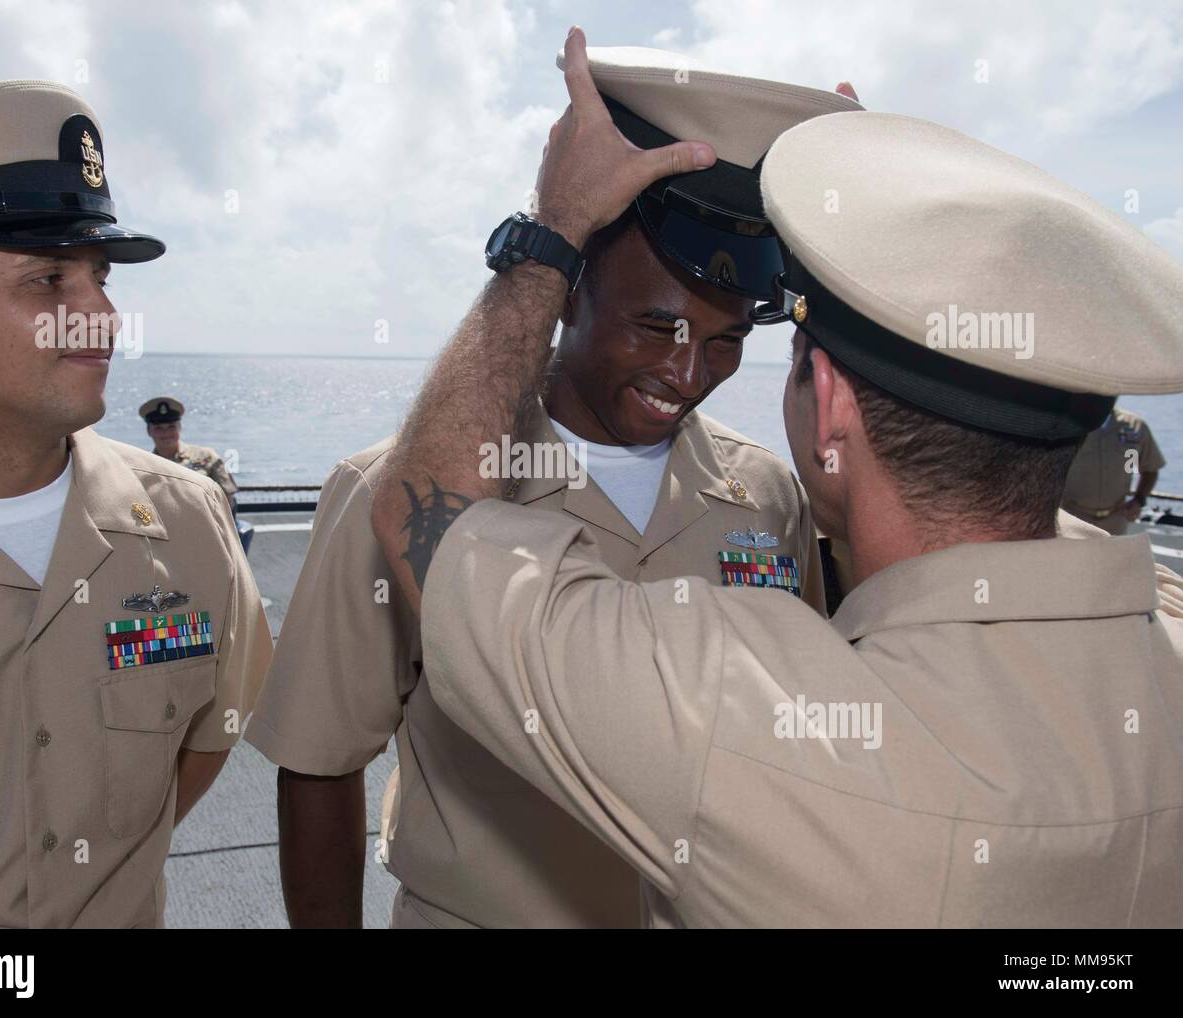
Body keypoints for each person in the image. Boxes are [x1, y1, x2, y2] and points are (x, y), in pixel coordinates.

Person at [369, 28, 1183, 927]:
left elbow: (427, 506)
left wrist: (549, 232)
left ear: (827, 402)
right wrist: (876, 219)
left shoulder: (729, 716)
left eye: (769, 348)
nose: (689, 373)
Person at [246, 46, 857, 927]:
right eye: (656, 325)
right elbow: (319, 761)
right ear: (567, 293)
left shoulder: (767, 497)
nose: (687, 373)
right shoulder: (394, 494)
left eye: (726, 342)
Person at [0, 81, 272, 927]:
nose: (100, 313)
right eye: (49, 279)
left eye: (98, 275)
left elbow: (209, 738)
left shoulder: (188, 525)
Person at [1062, 405, 1167, 534]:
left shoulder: (1136, 426)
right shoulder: (1067, 425)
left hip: (1117, 520)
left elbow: (1150, 469)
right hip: (1072, 520)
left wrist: (1139, 500)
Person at [141, 395, 239, 509]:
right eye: (159, 428)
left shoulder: (206, 456)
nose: (166, 433)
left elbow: (227, 496)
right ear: (149, 431)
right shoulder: (144, 465)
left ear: (179, 427)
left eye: (171, 427)